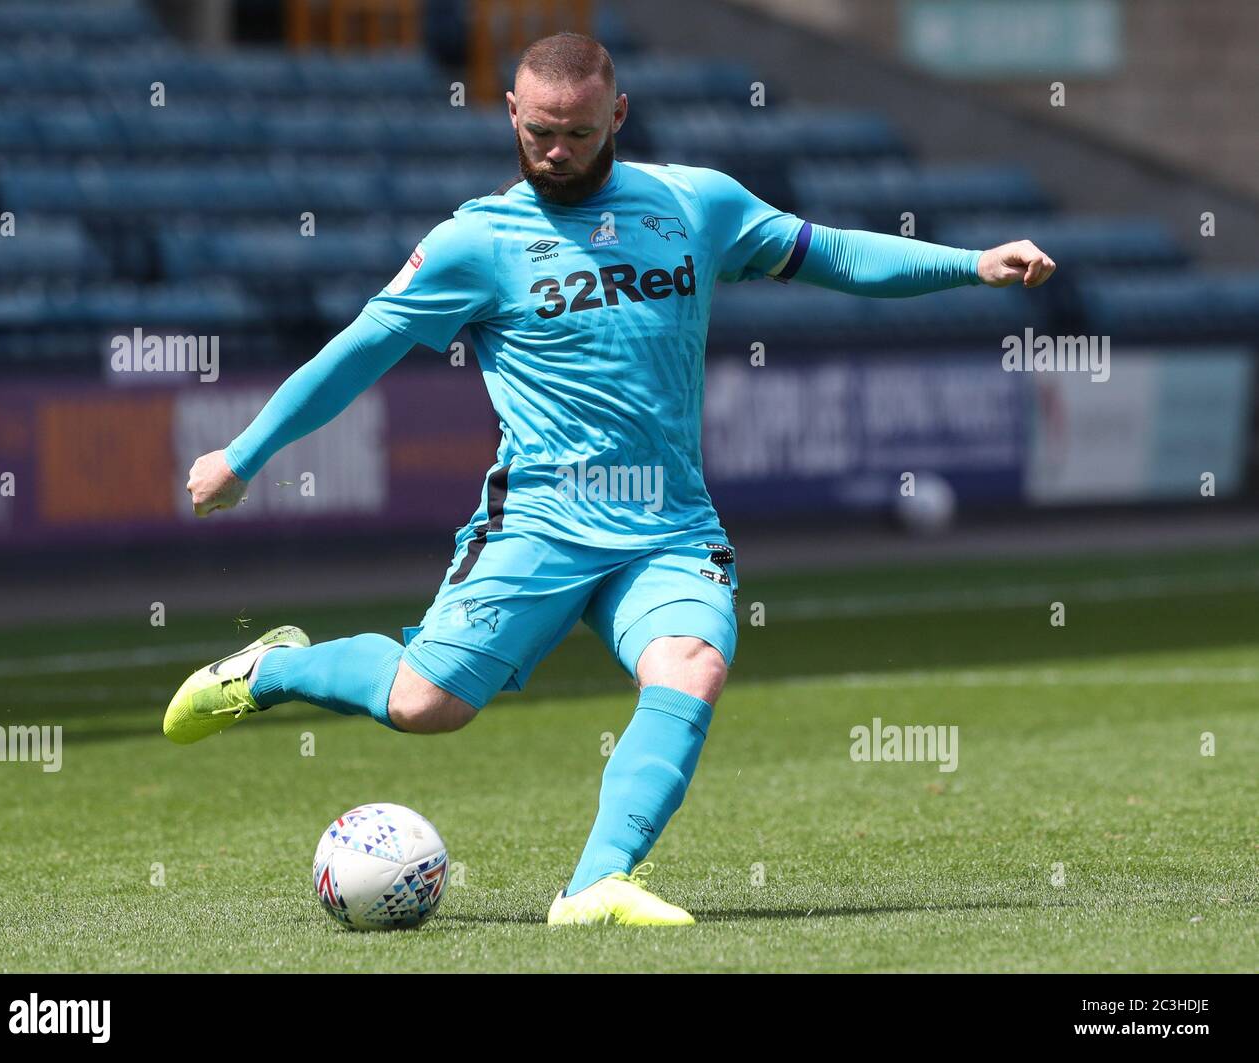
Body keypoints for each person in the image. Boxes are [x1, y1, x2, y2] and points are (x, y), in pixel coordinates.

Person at [166, 32, 1056, 926]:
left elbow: (834, 255)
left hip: (670, 524)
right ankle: (273, 669)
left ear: (618, 114)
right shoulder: (475, 241)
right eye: (540, 132)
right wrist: (242, 455)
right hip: (542, 523)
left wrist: (970, 264)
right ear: (511, 113)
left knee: (693, 664)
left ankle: (595, 882)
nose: (557, 151)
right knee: (425, 704)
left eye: (580, 134)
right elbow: (360, 352)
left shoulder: (695, 203)